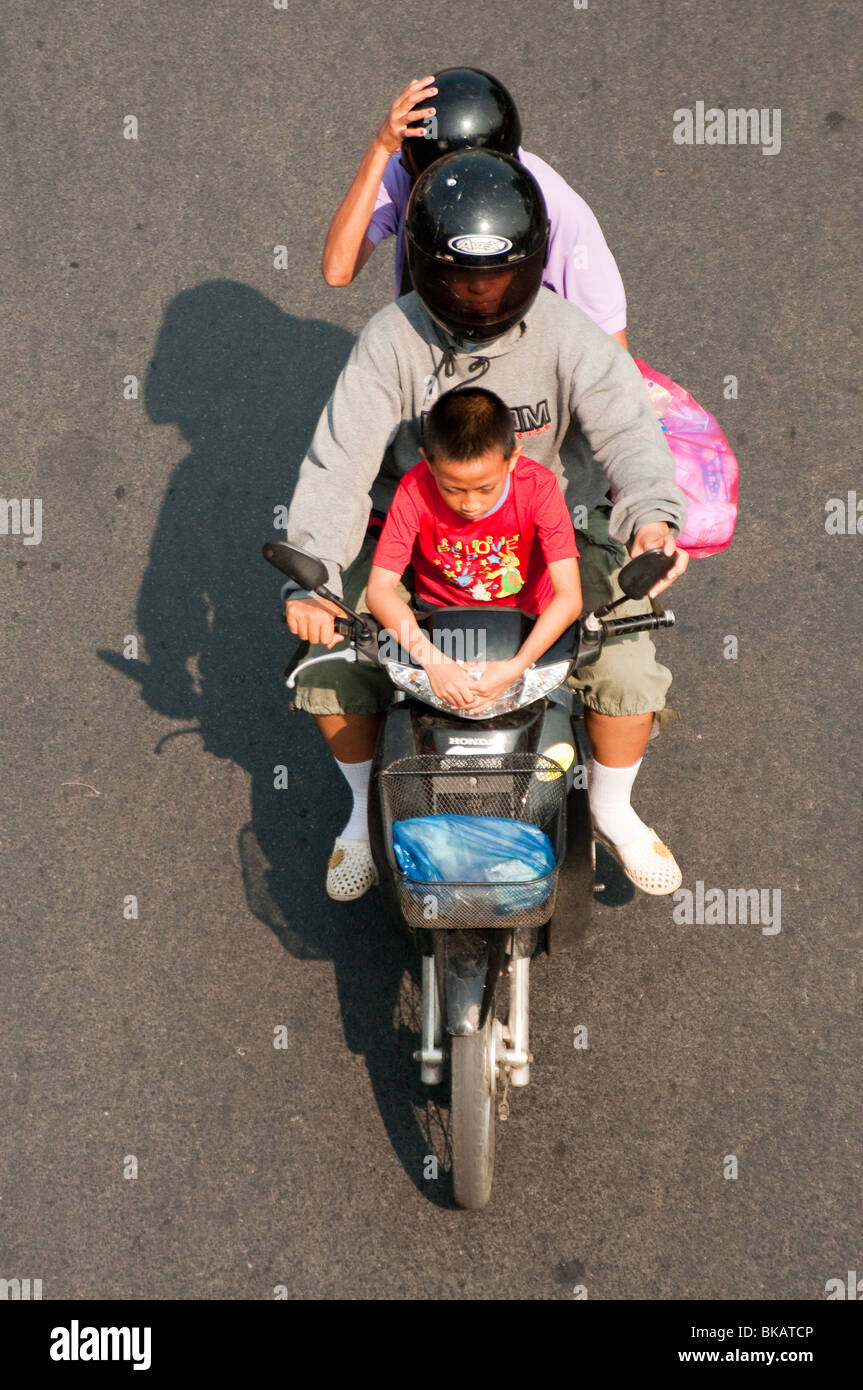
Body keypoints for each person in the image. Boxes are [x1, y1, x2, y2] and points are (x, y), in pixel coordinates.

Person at [284, 149, 689, 903]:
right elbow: (339, 465)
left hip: (550, 525)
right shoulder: (390, 339)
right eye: (460, 278)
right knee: (338, 666)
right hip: (411, 524)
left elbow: (632, 436)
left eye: (496, 279)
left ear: (531, 265)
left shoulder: (569, 336)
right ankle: (355, 817)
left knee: (627, 666)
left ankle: (611, 807)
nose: (477, 296)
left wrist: (651, 522)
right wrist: (310, 576)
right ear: (422, 264)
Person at [321, 68, 629, 349]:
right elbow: (338, 269)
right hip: (431, 347)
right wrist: (379, 148)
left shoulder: (556, 207)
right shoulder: (412, 169)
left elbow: (611, 347)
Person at [366, 386, 583, 716]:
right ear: (429, 461)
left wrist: (517, 666)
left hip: (527, 622)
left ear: (512, 460)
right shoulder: (414, 487)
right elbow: (379, 591)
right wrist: (433, 662)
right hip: (441, 621)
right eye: (452, 489)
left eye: (485, 489)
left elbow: (568, 596)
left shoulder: (540, 486)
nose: (470, 504)